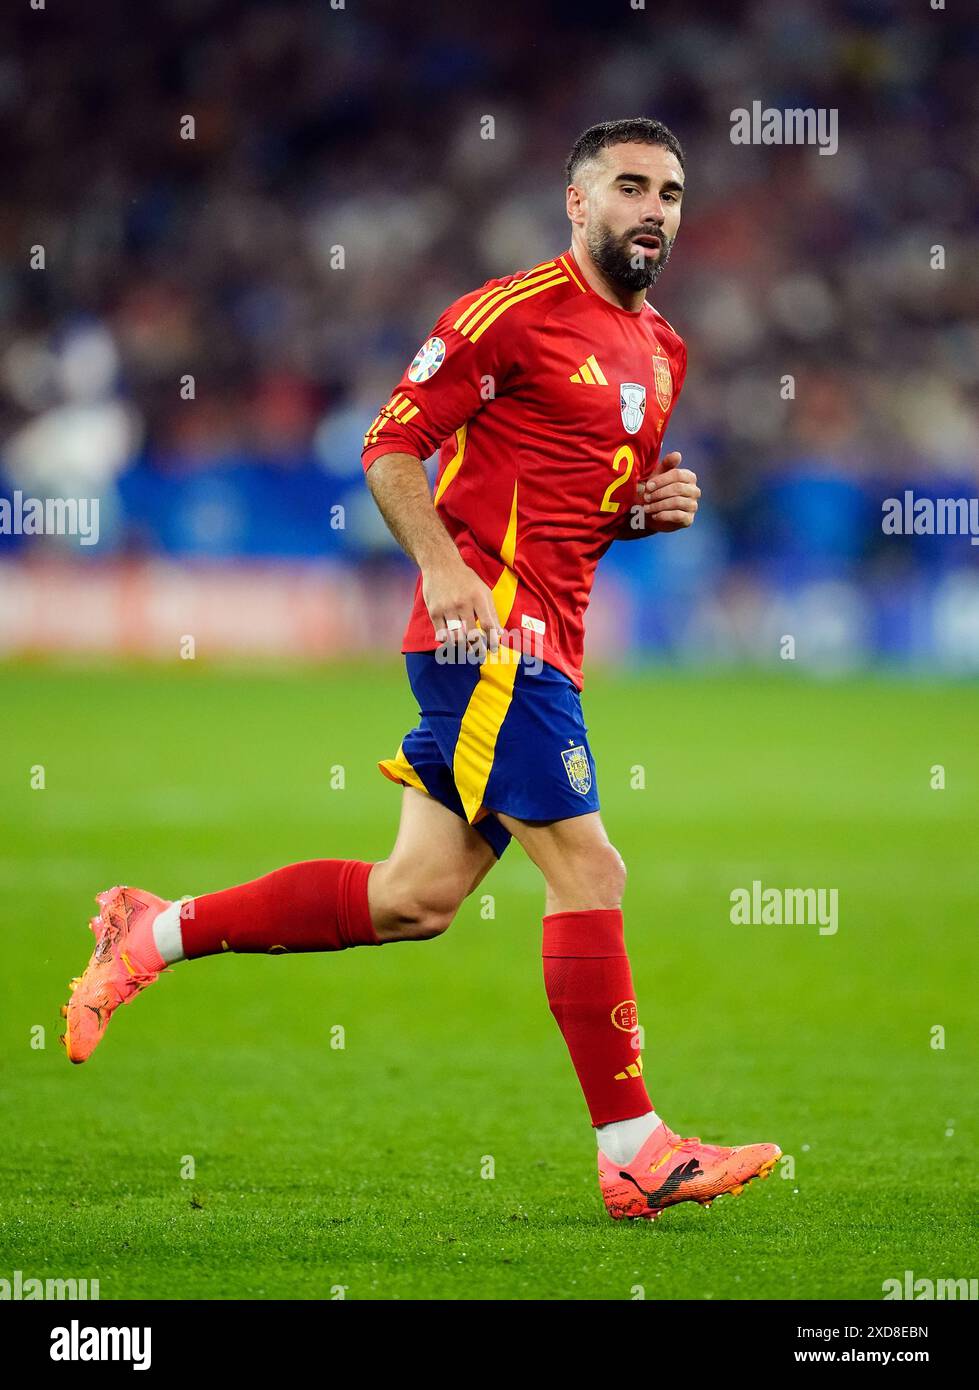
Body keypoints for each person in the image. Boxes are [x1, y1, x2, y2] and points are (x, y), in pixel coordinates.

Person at [61, 118, 780, 1221]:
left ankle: (148, 930)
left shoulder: (663, 352)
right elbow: (391, 445)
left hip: (547, 639)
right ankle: (636, 1150)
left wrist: (638, 514)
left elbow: (565, 511)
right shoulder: (508, 314)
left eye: (671, 193)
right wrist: (442, 570)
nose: (653, 208)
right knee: (592, 872)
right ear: (577, 204)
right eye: (628, 186)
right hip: (488, 636)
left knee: (414, 898)